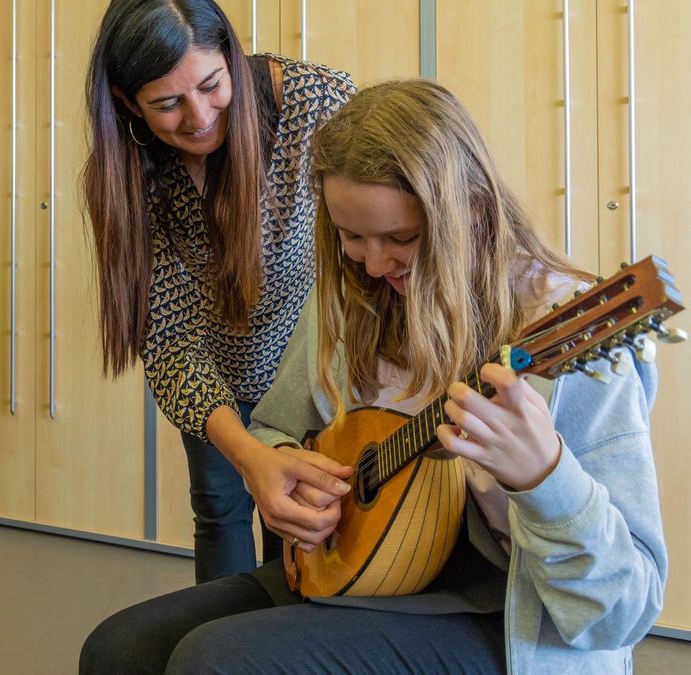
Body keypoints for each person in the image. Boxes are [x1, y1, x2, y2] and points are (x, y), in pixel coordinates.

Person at [80, 79, 667, 673]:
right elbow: (277, 427)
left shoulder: (563, 337)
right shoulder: (352, 294)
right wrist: (283, 472)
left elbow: (624, 612)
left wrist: (545, 478)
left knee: (218, 661)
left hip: (508, 612)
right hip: (365, 568)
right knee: (120, 650)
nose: (375, 262)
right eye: (351, 236)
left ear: (472, 207)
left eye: (403, 239)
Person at [84, 0, 357, 583]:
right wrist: (246, 449)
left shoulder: (316, 104)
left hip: (318, 367)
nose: (200, 115)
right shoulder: (127, 168)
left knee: (303, 521)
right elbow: (168, 334)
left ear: (231, 56)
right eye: (166, 104)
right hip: (211, 373)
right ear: (126, 103)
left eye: (211, 85)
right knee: (219, 508)